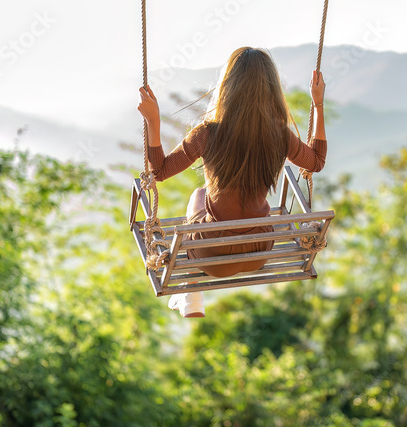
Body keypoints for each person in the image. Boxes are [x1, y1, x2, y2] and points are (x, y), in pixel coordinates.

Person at [137, 46, 327, 318]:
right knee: (209, 197)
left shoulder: (207, 134)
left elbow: (160, 171)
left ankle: (191, 289)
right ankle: (191, 290)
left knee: (199, 194)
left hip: (210, 257)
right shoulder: (279, 135)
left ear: (228, 88)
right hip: (258, 254)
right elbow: (317, 161)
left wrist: (153, 121)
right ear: (271, 90)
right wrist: (318, 104)